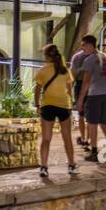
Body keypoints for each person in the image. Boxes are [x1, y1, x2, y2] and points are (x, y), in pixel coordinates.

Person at [33, 44, 78, 178]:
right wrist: (71, 105)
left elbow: (37, 90)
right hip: (64, 105)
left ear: (47, 56)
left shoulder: (42, 71)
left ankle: (44, 167)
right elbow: (69, 90)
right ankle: (71, 165)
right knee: (67, 138)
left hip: (48, 106)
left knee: (46, 139)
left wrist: (37, 104)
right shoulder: (65, 70)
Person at [75, 35, 106, 162]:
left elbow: (86, 82)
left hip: (94, 95)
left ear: (90, 45)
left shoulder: (89, 60)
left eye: (83, 45)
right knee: (103, 122)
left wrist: (80, 99)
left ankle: (93, 152)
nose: (82, 48)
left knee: (92, 124)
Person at [69, 41, 88, 147]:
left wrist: (69, 92)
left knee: (81, 113)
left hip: (80, 84)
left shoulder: (77, 57)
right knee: (88, 115)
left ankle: (84, 138)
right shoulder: (98, 57)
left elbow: (72, 75)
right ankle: (87, 139)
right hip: (91, 86)